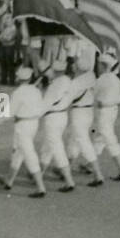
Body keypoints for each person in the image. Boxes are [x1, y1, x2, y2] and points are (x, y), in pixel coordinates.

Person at [0, 66, 48, 198]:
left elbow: (10, 111)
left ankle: (40, 187)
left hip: (23, 125)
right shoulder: (36, 91)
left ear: (19, 79)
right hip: (34, 123)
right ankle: (9, 180)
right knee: (18, 151)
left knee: (28, 153)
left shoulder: (18, 92)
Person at [37, 56, 76, 193]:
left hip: (52, 117)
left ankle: (69, 181)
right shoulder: (68, 81)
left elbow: (45, 105)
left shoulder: (55, 85)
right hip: (63, 115)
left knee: (56, 147)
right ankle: (39, 173)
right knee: (48, 146)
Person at [64, 54, 105, 187]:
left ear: (79, 68)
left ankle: (97, 174)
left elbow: (66, 100)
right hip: (89, 111)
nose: (73, 66)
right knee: (73, 139)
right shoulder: (91, 76)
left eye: (75, 65)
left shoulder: (75, 83)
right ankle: (66, 167)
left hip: (78, 112)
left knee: (82, 141)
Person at [92, 48, 120, 180]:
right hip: (113, 110)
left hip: (103, 111)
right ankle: (89, 163)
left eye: (98, 64)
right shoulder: (116, 80)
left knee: (108, 138)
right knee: (99, 137)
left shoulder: (101, 80)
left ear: (102, 65)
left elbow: (94, 95)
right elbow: (119, 98)